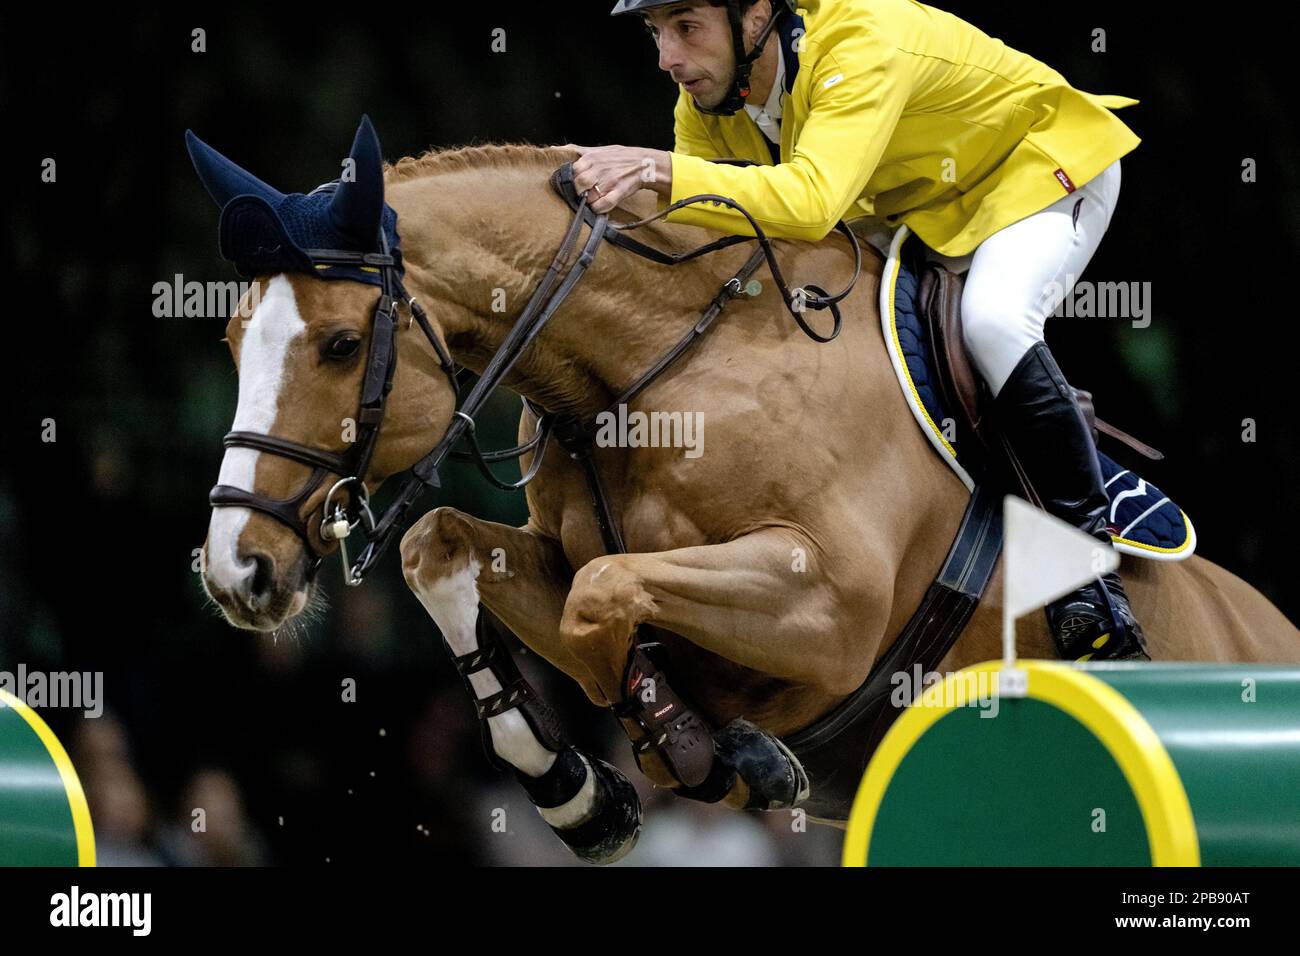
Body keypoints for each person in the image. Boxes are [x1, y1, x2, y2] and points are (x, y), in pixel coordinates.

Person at [570, 0, 1148, 660]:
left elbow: (811, 203)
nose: (666, 57)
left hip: (1038, 172)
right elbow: (711, 232)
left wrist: (651, 167)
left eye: (686, 28)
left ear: (754, 13)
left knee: (992, 321)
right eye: (657, 33)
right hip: (919, 212)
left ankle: (1088, 578)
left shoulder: (856, 41)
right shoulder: (709, 101)